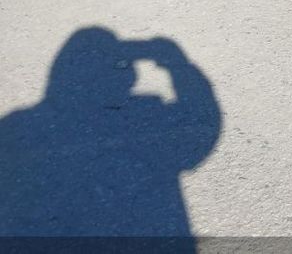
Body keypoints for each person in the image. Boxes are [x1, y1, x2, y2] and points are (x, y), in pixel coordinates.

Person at [0, 27, 221, 245]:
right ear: (128, 76)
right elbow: (201, 124)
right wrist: (176, 63)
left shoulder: (19, 126)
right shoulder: (150, 117)